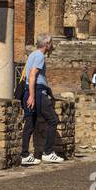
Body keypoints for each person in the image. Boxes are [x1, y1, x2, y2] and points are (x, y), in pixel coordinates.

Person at [20, 34, 64, 166]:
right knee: (53, 120)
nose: (52, 45)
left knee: (30, 123)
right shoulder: (39, 56)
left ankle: (25, 155)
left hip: (30, 91)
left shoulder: (32, 55)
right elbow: (33, 75)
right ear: (47, 43)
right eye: (51, 43)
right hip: (37, 92)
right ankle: (48, 152)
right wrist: (33, 96)